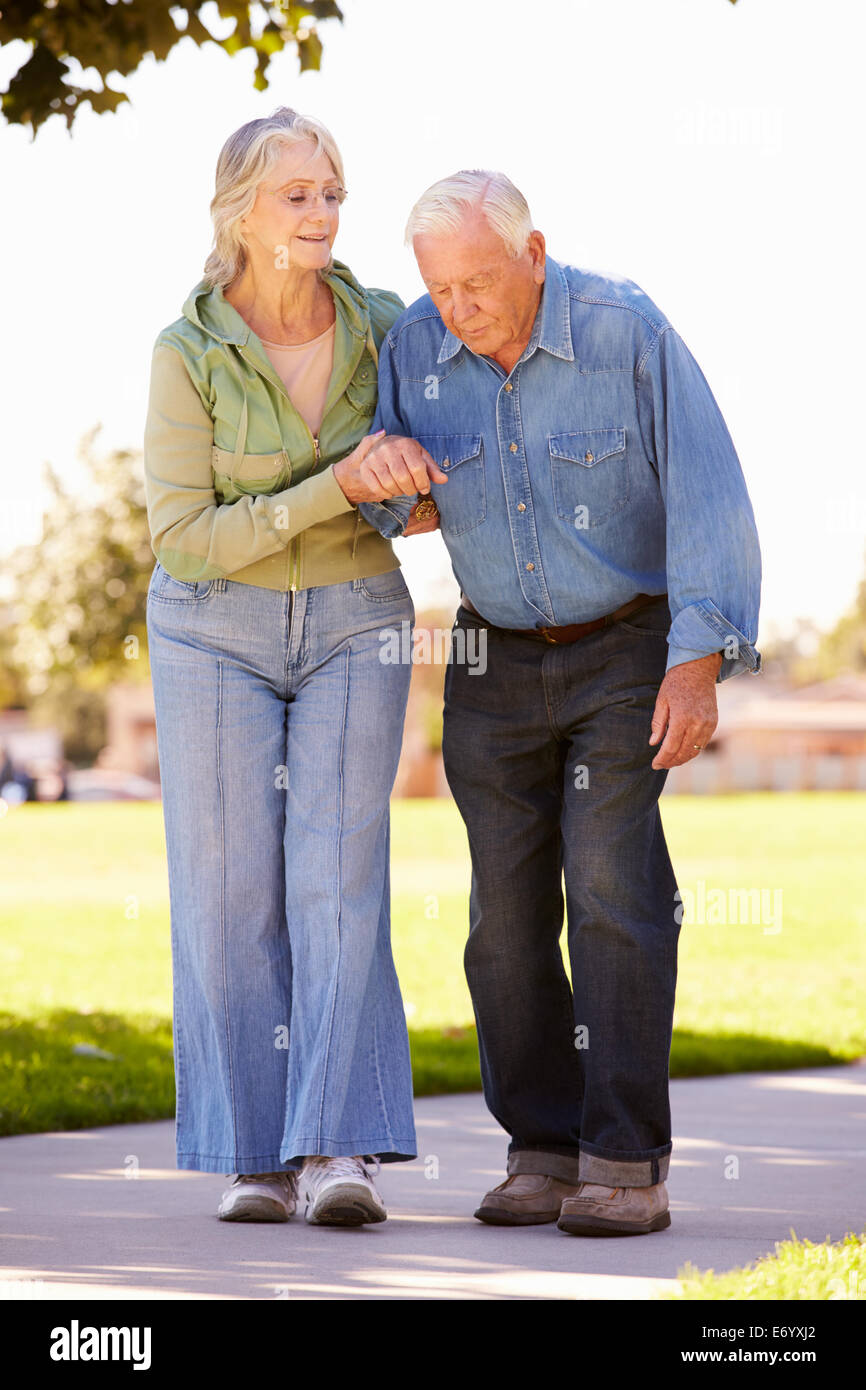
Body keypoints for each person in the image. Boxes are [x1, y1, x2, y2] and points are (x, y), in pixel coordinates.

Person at [361, 170, 762, 1237]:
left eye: (477, 282)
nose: (458, 310)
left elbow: (708, 488)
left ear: (533, 254)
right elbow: (392, 510)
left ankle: (623, 1158)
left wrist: (695, 662)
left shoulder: (623, 330)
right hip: (490, 653)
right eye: (439, 289)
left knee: (609, 892)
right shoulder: (413, 350)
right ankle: (539, 1147)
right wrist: (378, 469)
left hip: (626, 643)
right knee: (501, 920)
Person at [143, 107, 443, 1227]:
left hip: (356, 621)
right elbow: (184, 537)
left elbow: (413, 492)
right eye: (295, 195)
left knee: (337, 878)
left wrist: (407, 480)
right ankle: (253, 1158)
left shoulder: (382, 327)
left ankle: (333, 1152)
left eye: (330, 192)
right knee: (228, 894)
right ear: (240, 212)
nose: (320, 213)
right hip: (211, 629)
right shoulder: (187, 353)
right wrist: (336, 486)